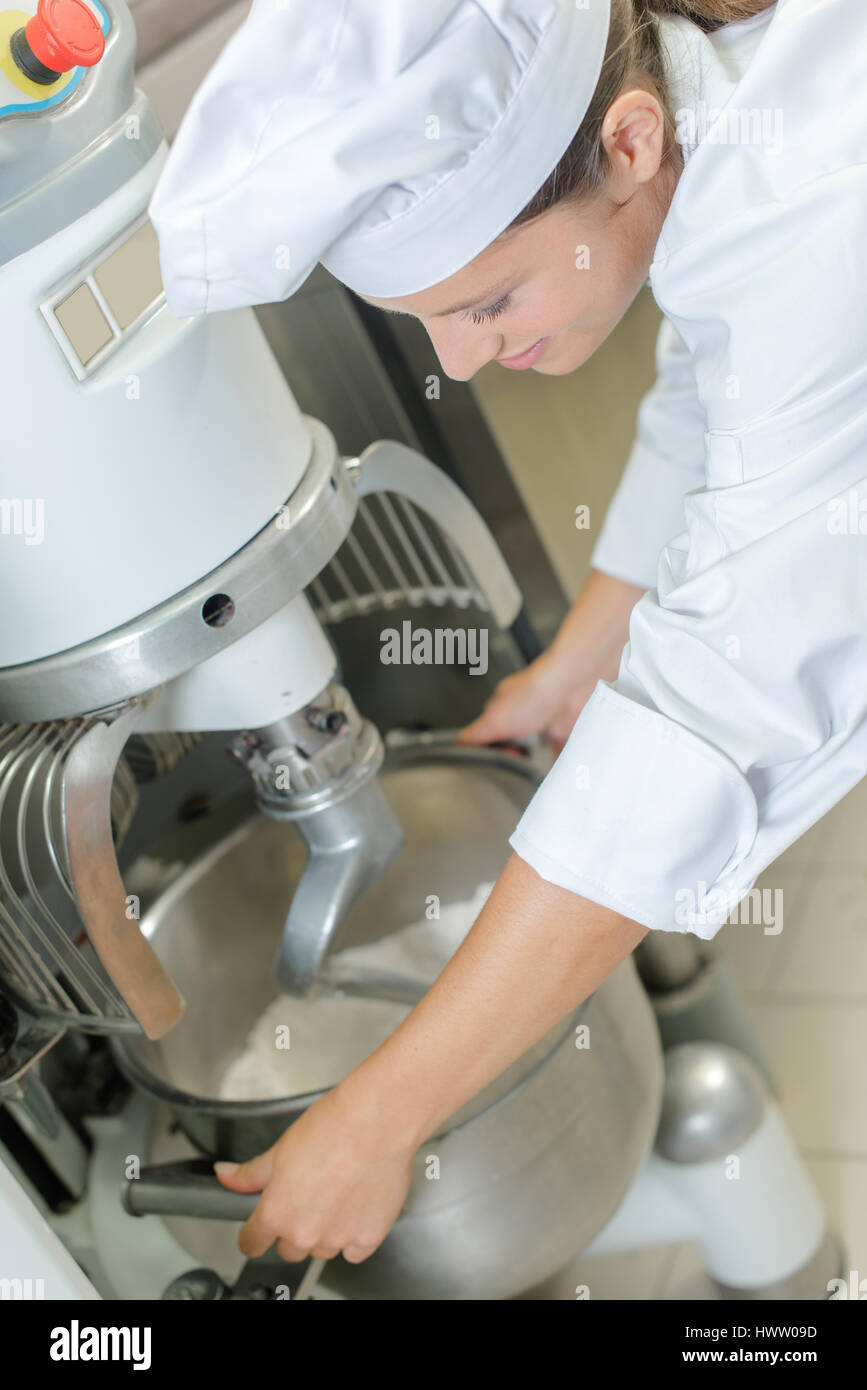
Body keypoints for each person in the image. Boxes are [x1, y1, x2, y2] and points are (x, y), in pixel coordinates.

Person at [148, 0, 867, 1268]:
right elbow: (714, 392)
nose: (462, 363)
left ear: (629, 145)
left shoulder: (816, 202)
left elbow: (724, 696)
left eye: (488, 299)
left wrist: (383, 1112)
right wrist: (582, 656)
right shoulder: (728, 112)